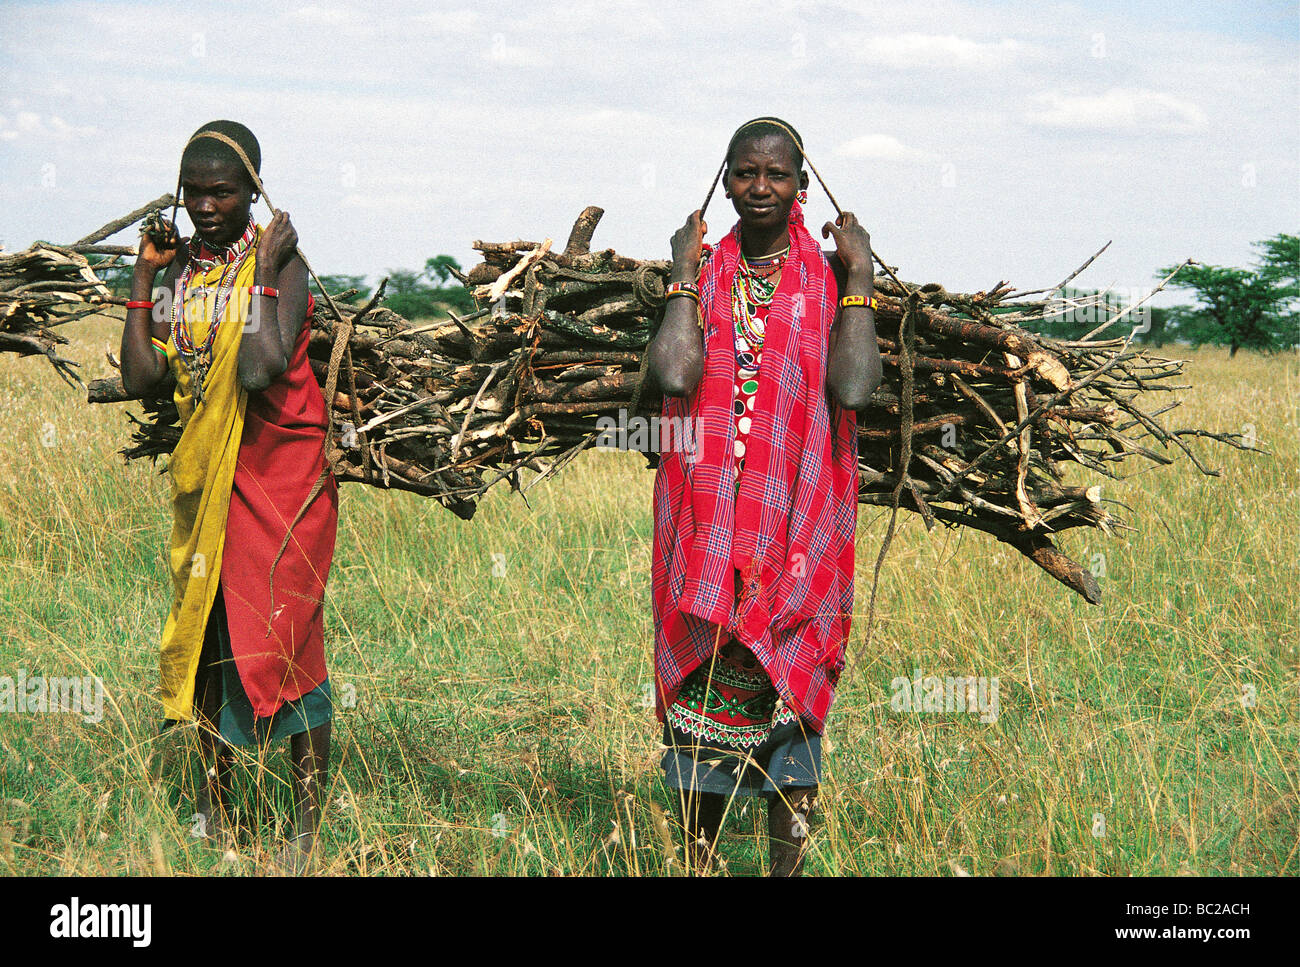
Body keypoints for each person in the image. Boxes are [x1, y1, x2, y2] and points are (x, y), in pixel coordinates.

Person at [645, 117, 882, 876]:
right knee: (702, 713)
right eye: (745, 174)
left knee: (794, 717)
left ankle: (786, 871)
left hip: (797, 535)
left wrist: (863, 280)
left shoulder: (827, 279)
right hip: (708, 533)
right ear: (724, 183)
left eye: (776, 175)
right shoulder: (705, 273)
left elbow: (851, 387)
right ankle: (700, 864)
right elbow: (677, 376)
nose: (760, 189)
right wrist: (683, 269)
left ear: (802, 186)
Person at [121, 120, 337, 873]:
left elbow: (260, 367)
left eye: (224, 191)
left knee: (287, 639)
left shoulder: (287, 266)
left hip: (281, 483)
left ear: (254, 191)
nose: (207, 206)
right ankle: (216, 807)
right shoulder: (182, 275)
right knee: (214, 642)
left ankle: (305, 824)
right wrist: (145, 280)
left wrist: (269, 269)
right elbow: (143, 379)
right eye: (195, 193)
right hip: (205, 482)